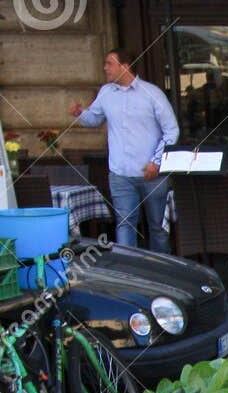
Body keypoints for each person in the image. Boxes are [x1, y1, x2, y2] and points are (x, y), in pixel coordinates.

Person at [69, 48, 179, 252]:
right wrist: (80, 113)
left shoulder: (152, 93)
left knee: (158, 228)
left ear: (125, 66)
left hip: (153, 173)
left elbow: (171, 130)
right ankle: (129, 269)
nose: (105, 68)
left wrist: (157, 161)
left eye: (109, 63)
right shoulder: (106, 92)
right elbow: (95, 119)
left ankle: (162, 269)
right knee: (125, 225)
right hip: (120, 174)